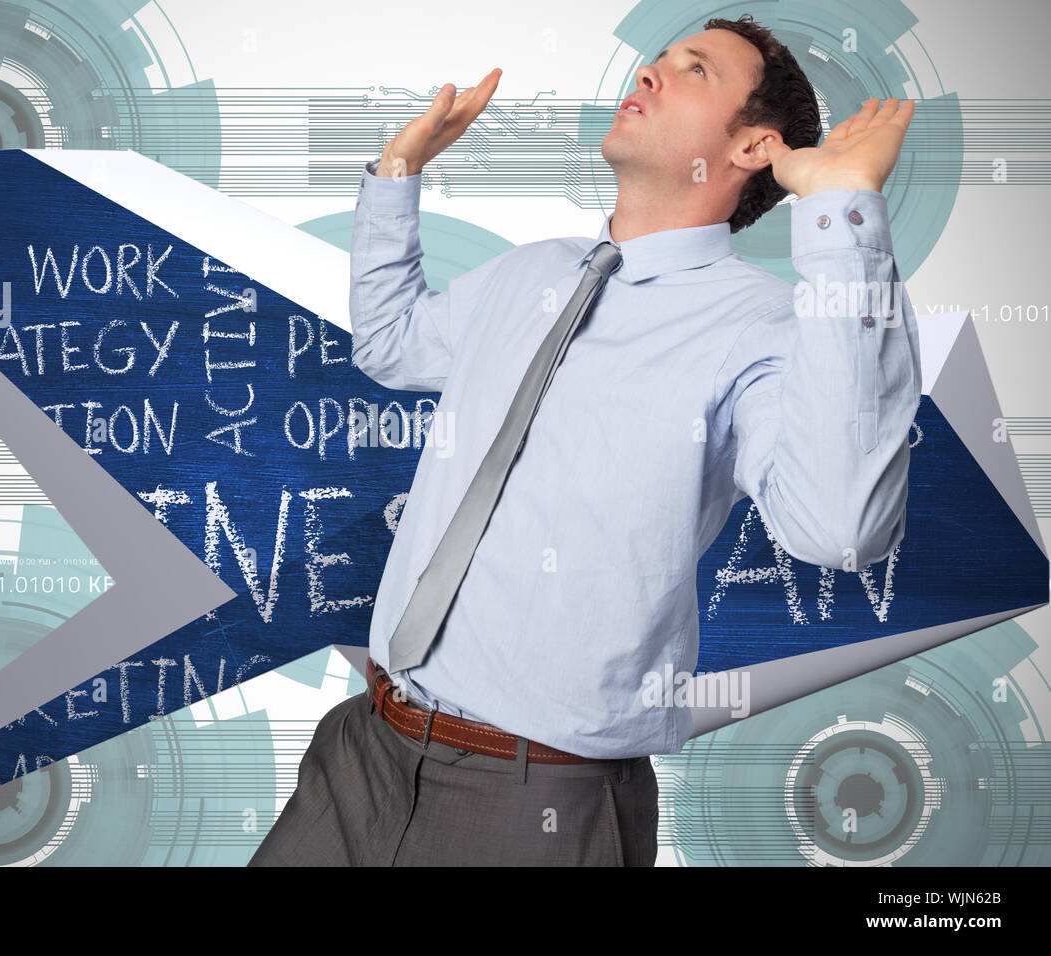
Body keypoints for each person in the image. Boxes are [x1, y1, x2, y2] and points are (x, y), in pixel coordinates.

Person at [250, 13, 920, 866]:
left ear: (753, 147)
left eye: (695, 69)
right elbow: (393, 345)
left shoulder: (762, 329)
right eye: (659, 57)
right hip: (361, 755)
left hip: (537, 802)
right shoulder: (533, 271)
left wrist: (839, 215)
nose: (649, 71)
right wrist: (399, 171)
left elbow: (841, 527)